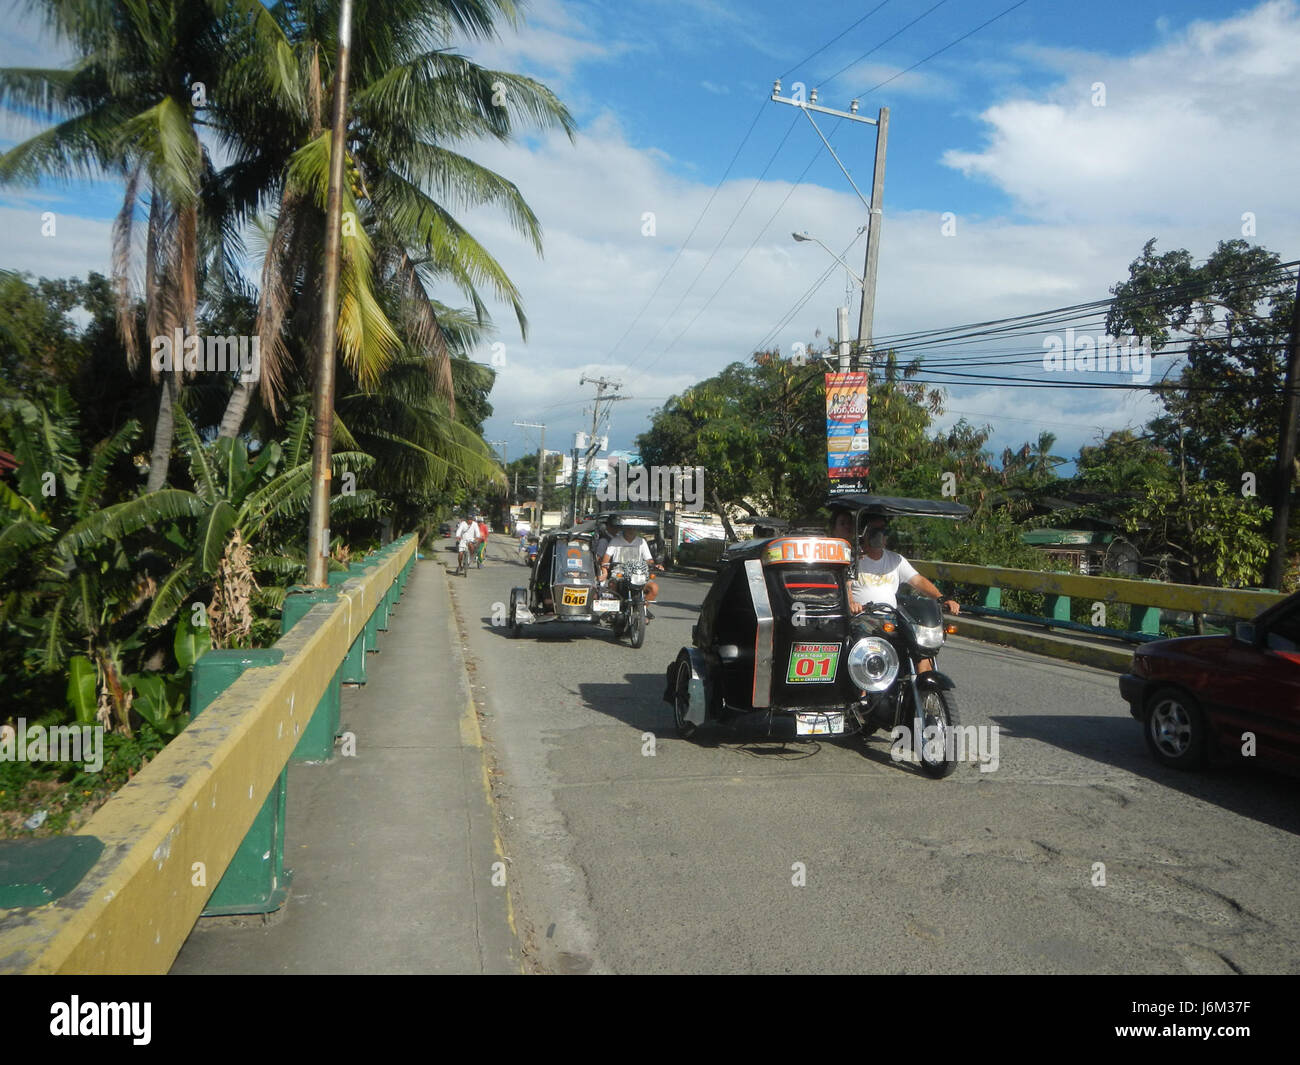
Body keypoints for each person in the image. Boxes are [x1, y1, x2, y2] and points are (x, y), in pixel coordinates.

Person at [848, 514, 959, 672]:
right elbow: (846, 586)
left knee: (921, 646)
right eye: (874, 530)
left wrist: (942, 598)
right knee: (863, 652)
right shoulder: (853, 560)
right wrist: (852, 603)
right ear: (864, 533)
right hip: (864, 617)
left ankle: (924, 689)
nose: (880, 535)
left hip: (893, 617)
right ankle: (863, 694)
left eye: (883, 530)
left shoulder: (896, 560)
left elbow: (918, 581)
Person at [600, 515, 663, 618]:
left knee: (654, 588)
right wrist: (605, 572)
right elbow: (605, 561)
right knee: (612, 585)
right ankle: (613, 610)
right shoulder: (615, 541)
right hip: (619, 573)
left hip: (638, 574)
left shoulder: (641, 541)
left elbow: (649, 560)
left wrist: (655, 565)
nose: (631, 530)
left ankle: (643, 610)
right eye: (629, 527)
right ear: (624, 528)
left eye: (633, 528)